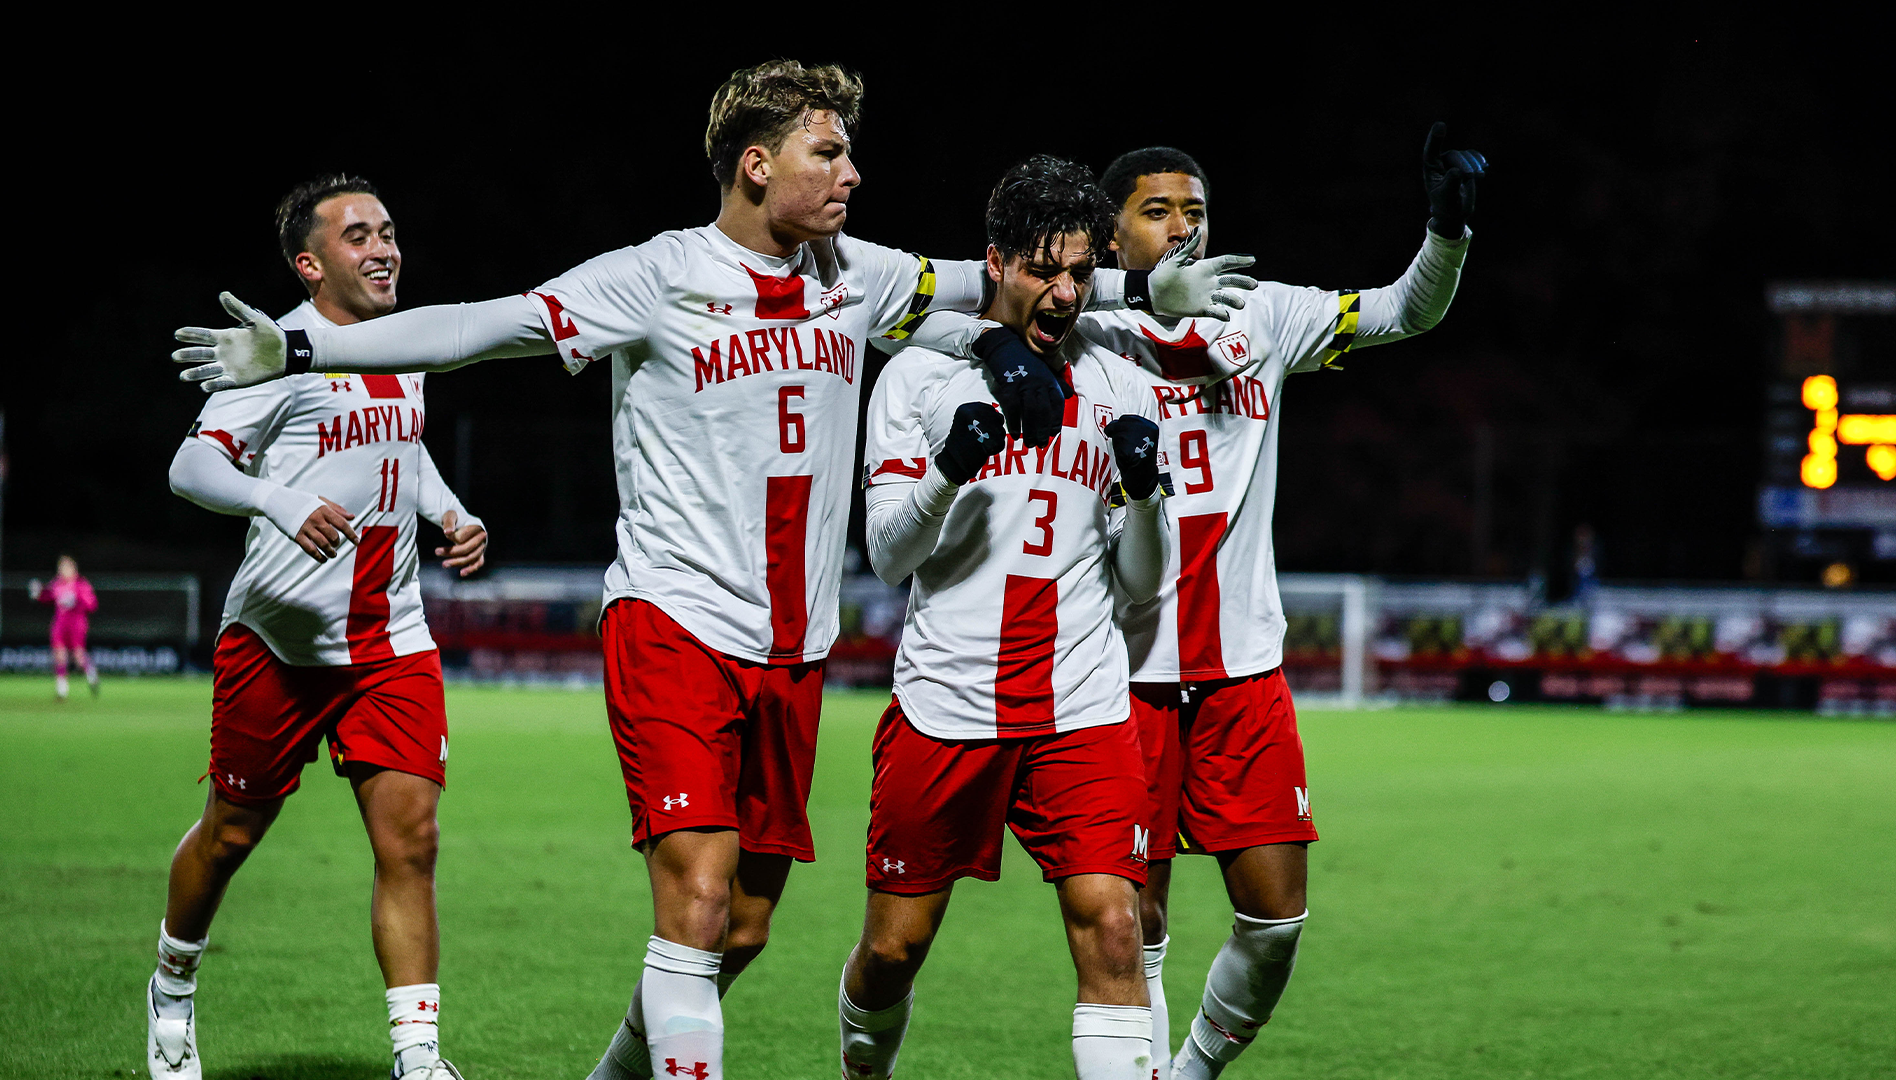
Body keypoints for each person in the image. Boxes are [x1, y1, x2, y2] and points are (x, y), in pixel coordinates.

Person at [168, 60, 1252, 1080]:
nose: (852, 174)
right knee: (692, 902)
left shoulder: (858, 277)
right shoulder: (658, 276)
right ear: (755, 164)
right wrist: (306, 350)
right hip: (673, 620)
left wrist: (1144, 295)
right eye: (827, 153)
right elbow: (476, 330)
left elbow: (1011, 278)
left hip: (792, 648)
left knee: (742, 925)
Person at [1076, 131, 1483, 1079]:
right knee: (1135, 924)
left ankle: (1189, 1073)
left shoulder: (1265, 317)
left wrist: (1447, 232)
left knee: (1275, 920)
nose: (1184, 227)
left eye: (1196, 210)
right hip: (1120, 673)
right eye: (1158, 210)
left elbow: (1401, 312)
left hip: (1242, 674)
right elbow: (963, 310)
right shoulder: (1084, 328)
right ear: (1110, 234)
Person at [152, 174, 487, 1080]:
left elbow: (403, 450)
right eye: (359, 237)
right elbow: (190, 465)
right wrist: (276, 498)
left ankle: (419, 1056)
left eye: (389, 231)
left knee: (411, 841)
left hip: (392, 643)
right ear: (310, 265)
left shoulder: (404, 347)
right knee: (230, 833)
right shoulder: (278, 350)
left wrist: (452, 514)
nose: (384, 249)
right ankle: (173, 987)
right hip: (281, 642)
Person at [841, 155, 1168, 1080]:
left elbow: (1141, 585)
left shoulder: (1123, 385)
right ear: (993, 262)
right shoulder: (916, 378)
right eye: (1041, 270)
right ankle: (862, 1068)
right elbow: (887, 555)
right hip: (948, 703)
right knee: (894, 951)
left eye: (1078, 273)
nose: (1062, 293)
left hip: (1082, 704)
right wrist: (949, 469)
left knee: (1115, 929)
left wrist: (1142, 495)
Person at [29, 554, 99, 699]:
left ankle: (91, 674)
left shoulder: (81, 584)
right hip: (60, 623)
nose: (63, 571)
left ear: (74, 569)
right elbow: (48, 597)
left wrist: (76, 602)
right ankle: (62, 689)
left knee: (78, 656)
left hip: (77, 623)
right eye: (61, 568)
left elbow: (92, 604)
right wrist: (38, 593)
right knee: (59, 654)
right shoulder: (57, 583)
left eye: (66, 567)